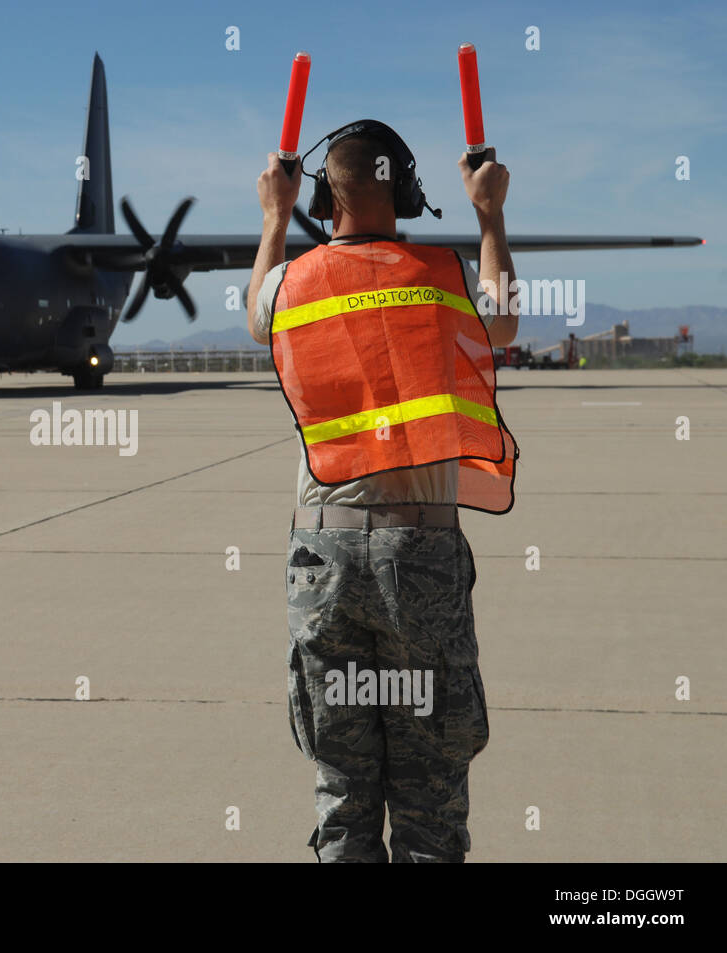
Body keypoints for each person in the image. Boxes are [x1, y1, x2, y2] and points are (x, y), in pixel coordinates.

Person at [246, 120, 518, 862]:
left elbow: (253, 310)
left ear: (323, 195)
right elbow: (504, 319)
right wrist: (489, 213)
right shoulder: (440, 274)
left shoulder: (291, 285)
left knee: (344, 789)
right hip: (417, 550)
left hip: (321, 556)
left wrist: (275, 215)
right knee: (429, 794)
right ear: (403, 188)